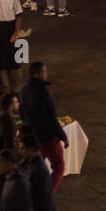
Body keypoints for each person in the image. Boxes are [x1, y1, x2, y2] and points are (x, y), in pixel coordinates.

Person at [19, 62, 69, 192]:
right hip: (47, 137)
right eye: (44, 72)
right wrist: (63, 136)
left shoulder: (23, 89)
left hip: (32, 135)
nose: (47, 74)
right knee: (59, 167)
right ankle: (47, 193)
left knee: (35, 164)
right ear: (37, 74)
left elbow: (22, 113)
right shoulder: (43, 92)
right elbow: (51, 118)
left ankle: (30, 190)